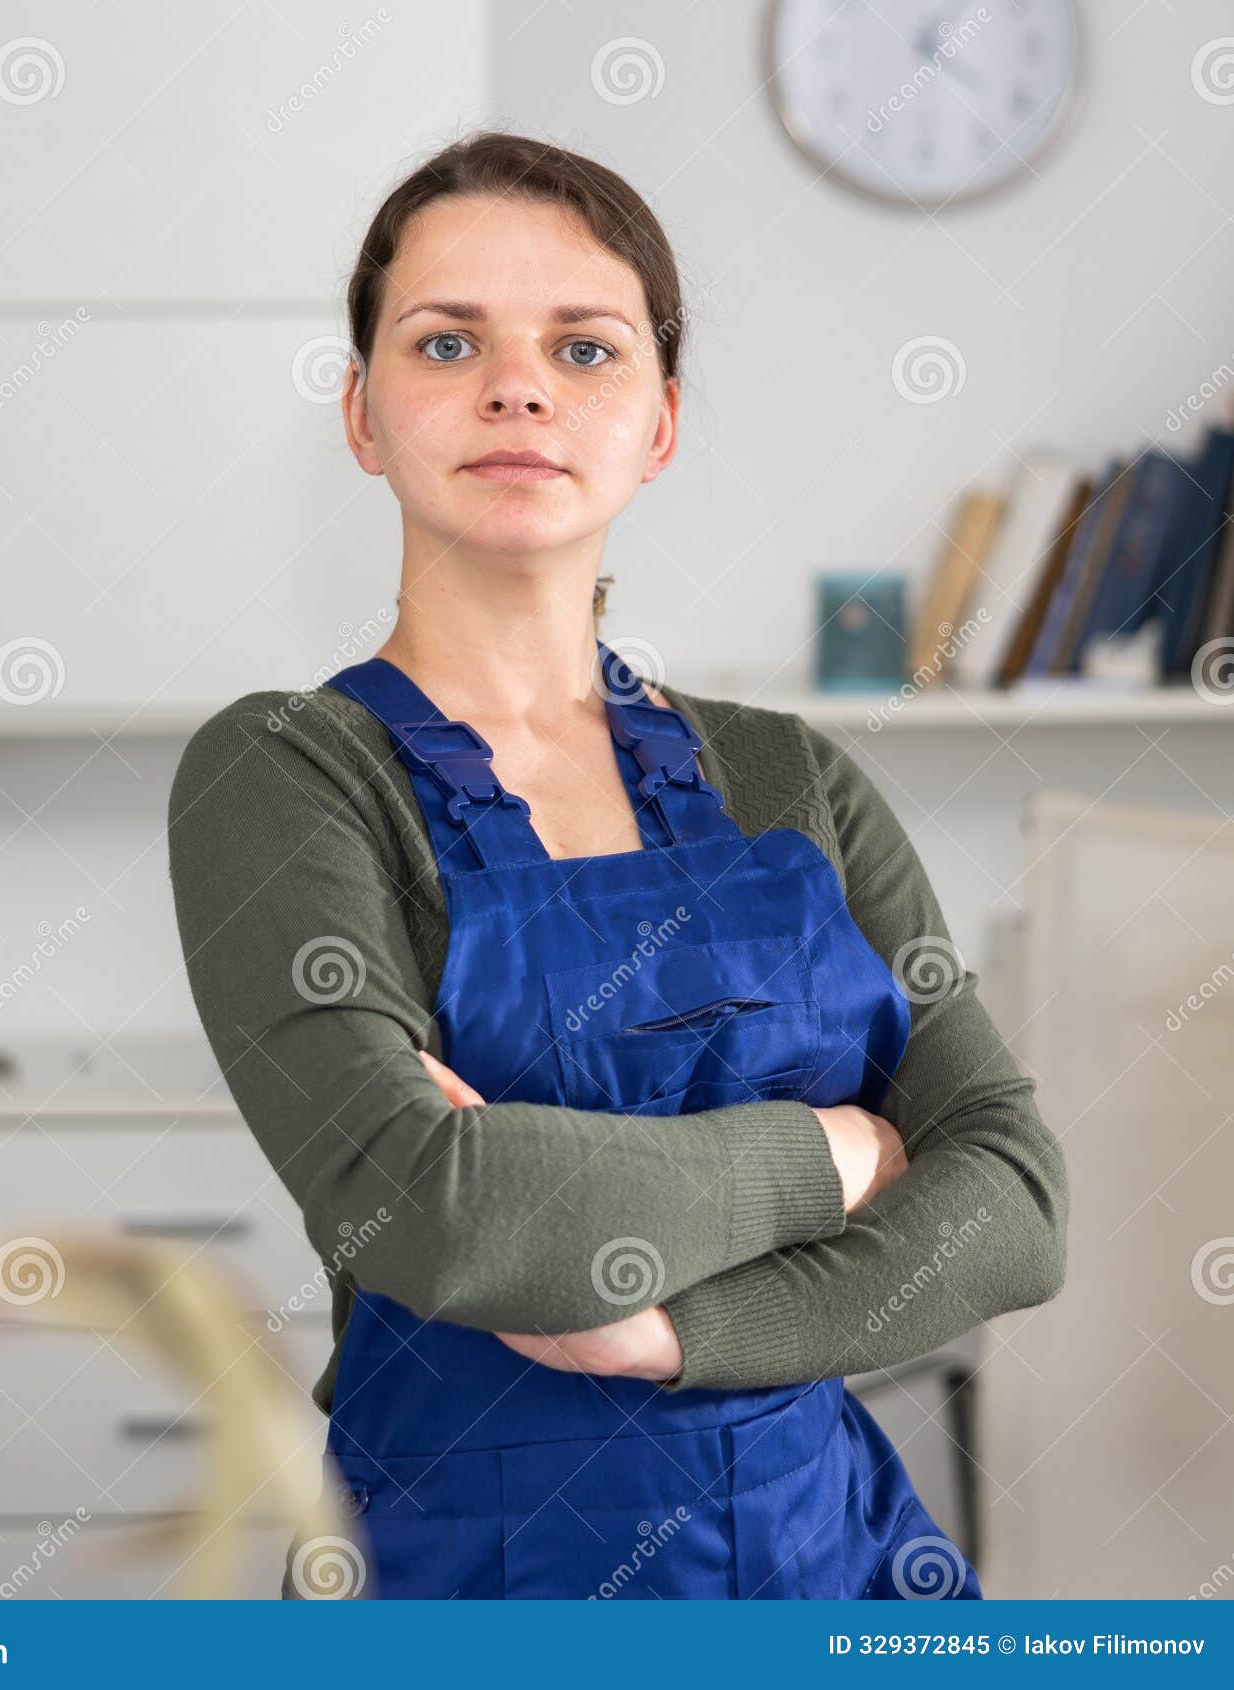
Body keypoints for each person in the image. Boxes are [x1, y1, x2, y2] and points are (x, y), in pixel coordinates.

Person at [167, 130, 1068, 1601]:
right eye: (445, 339)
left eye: (583, 348)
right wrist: (845, 1151)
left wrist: (670, 1332)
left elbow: (1016, 1202)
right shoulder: (288, 772)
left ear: (656, 422)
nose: (515, 385)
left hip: (827, 1565)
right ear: (361, 413)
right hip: (465, 1581)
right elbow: (442, 1210)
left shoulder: (789, 775)